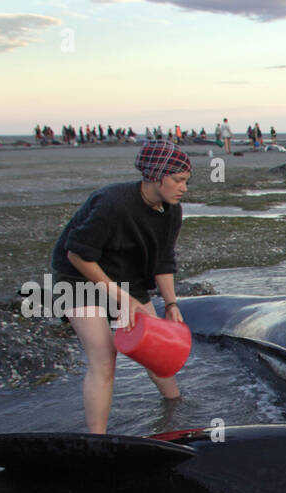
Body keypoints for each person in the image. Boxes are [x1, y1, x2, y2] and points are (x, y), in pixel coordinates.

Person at [50, 141, 190, 434]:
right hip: (78, 279)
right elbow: (76, 254)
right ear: (155, 175)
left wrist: (172, 304)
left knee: (157, 352)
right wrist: (121, 298)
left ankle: (178, 415)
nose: (183, 188)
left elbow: (164, 260)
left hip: (129, 279)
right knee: (104, 359)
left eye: (186, 181)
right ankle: (97, 440)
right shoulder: (112, 202)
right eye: (178, 180)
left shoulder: (172, 211)